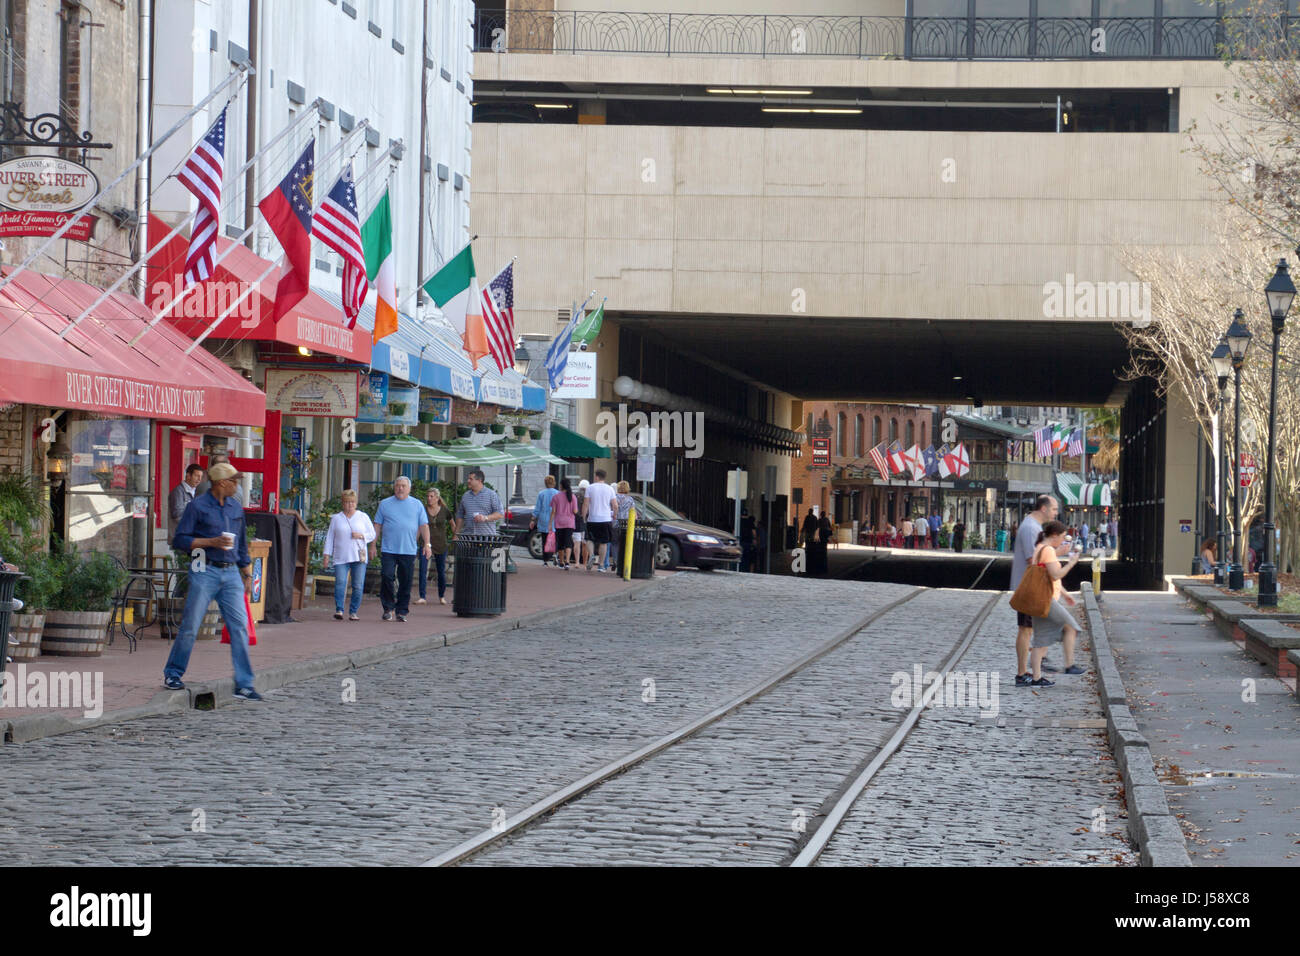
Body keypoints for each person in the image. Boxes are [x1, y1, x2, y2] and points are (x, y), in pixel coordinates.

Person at [164, 462, 260, 700]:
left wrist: (247, 574)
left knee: (239, 628)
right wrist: (211, 542)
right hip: (204, 570)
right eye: (233, 481)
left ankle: (244, 684)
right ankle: (173, 673)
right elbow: (180, 540)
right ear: (221, 483)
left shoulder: (235, 508)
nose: (237, 485)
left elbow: (242, 544)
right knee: (191, 626)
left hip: (231, 574)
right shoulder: (197, 507)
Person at [1011, 494, 1067, 686]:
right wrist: (1058, 553)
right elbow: (1033, 561)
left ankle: (1036, 665)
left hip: (1034, 589)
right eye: (1053, 509)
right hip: (1030, 589)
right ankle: (1023, 673)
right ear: (1043, 509)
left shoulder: (1034, 528)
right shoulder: (1030, 529)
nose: (1056, 512)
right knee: (1026, 630)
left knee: (1031, 629)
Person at [1026, 519, 1085, 687]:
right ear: (1054, 535)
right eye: (1062, 537)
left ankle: (1037, 678)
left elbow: (1045, 574)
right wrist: (1071, 563)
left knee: (1041, 639)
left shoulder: (1041, 548)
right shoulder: (1048, 551)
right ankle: (1069, 665)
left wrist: (1064, 593)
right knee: (1071, 627)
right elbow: (1055, 575)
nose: (1063, 540)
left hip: (1038, 597)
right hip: (1046, 599)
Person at [373, 476, 432, 623]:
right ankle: (388, 608)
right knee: (386, 576)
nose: (400, 488)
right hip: (388, 549)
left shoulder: (417, 504)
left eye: (403, 486)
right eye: (398, 485)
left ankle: (401, 611)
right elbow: (377, 525)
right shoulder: (385, 504)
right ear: (394, 487)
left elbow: (424, 525)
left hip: (408, 549)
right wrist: (373, 544)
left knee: (405, 581)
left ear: (409, 488)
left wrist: (427, 544)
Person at [323, 489, 376, 620]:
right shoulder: (336, 518)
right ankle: (339, 609)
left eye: (352, 502)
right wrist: (326, 555)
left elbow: (373, 534)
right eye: (347, 502)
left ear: (356, 503)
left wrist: (361, 536)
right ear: (343, 503)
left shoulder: (363, 517)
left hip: (358, 556)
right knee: (340, 582)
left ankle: (353, 611)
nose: (350, 505)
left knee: (358, 585)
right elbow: (330, 537)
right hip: (341, 556)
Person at [419, 487, 452, 605]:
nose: (429, 498)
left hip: (441, 543)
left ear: (437, 498)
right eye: (428, 496)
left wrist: (455, 536)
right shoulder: (423, 510)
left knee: (441, 571)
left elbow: (452, 523)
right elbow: (420, 526)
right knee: (422, 570)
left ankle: (441, 596)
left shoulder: (444, 510)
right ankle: (422, 596)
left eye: (431, 496)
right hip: (425, 544)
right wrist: (415, 540)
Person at [582, 469, 617, 572]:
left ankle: (592, 555)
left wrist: (584, 516)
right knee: (604, 542)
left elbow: (585, 504)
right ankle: (601, 565)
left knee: (589, 539)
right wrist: (614, 515)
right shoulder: (610, 489)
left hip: (593, 518)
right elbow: (615, 505)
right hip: (605, 519)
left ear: (596, 477)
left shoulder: (590, 488)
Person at [455, 468, 505, 535]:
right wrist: (456, 534)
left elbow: (500, 513)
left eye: (471, 479)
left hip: (486, 538)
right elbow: (460, 516)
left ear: (479, 480)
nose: (468, 481)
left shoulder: (491, 495)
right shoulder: (465, 496)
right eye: (468, 478)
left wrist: (485, 518)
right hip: (468, 538)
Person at [549, 478, 578, 570]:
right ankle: (567, 562)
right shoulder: (573, 497)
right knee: (568, 542)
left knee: (560, 542)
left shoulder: (556, 497)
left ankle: (561, 562)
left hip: (559, 522)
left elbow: (553, 511)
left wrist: (550, 523)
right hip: (569, 522)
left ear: (561, 485)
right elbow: (575, 511)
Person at [531, 475, 560, 566]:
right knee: (555, 539)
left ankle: (545, 560)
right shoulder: (558, 493)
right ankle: (555, 554)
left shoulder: (541, 494)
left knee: (544, 540)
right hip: (555, 519)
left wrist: (533, 519)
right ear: (554, 482)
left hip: (543, 519)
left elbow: (537, 508)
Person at [610, 480, 635, 573]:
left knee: (615, 543)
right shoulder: (630, 499)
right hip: (626, 524)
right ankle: (624, 562)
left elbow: (610, 508)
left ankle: (615, 560)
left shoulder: (614, 498)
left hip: (615, 523)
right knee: (625, 543)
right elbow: (633, 511)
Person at [573, 479, 590, 568]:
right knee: (585, 543)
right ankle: (585, 562)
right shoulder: (589, 495)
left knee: (577, 542)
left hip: (575, 520)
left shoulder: (574, 495)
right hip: (585, 521)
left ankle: (576, 562)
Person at [740, 506, 757, 572]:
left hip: (740, 542)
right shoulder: (750, 522)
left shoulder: (738, 521)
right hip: (748, 543)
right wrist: (755, 540)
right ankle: (746, 571)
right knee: (748, 559)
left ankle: (740, 570)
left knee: (740, 558)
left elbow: (734, 532)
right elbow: (754, 532)